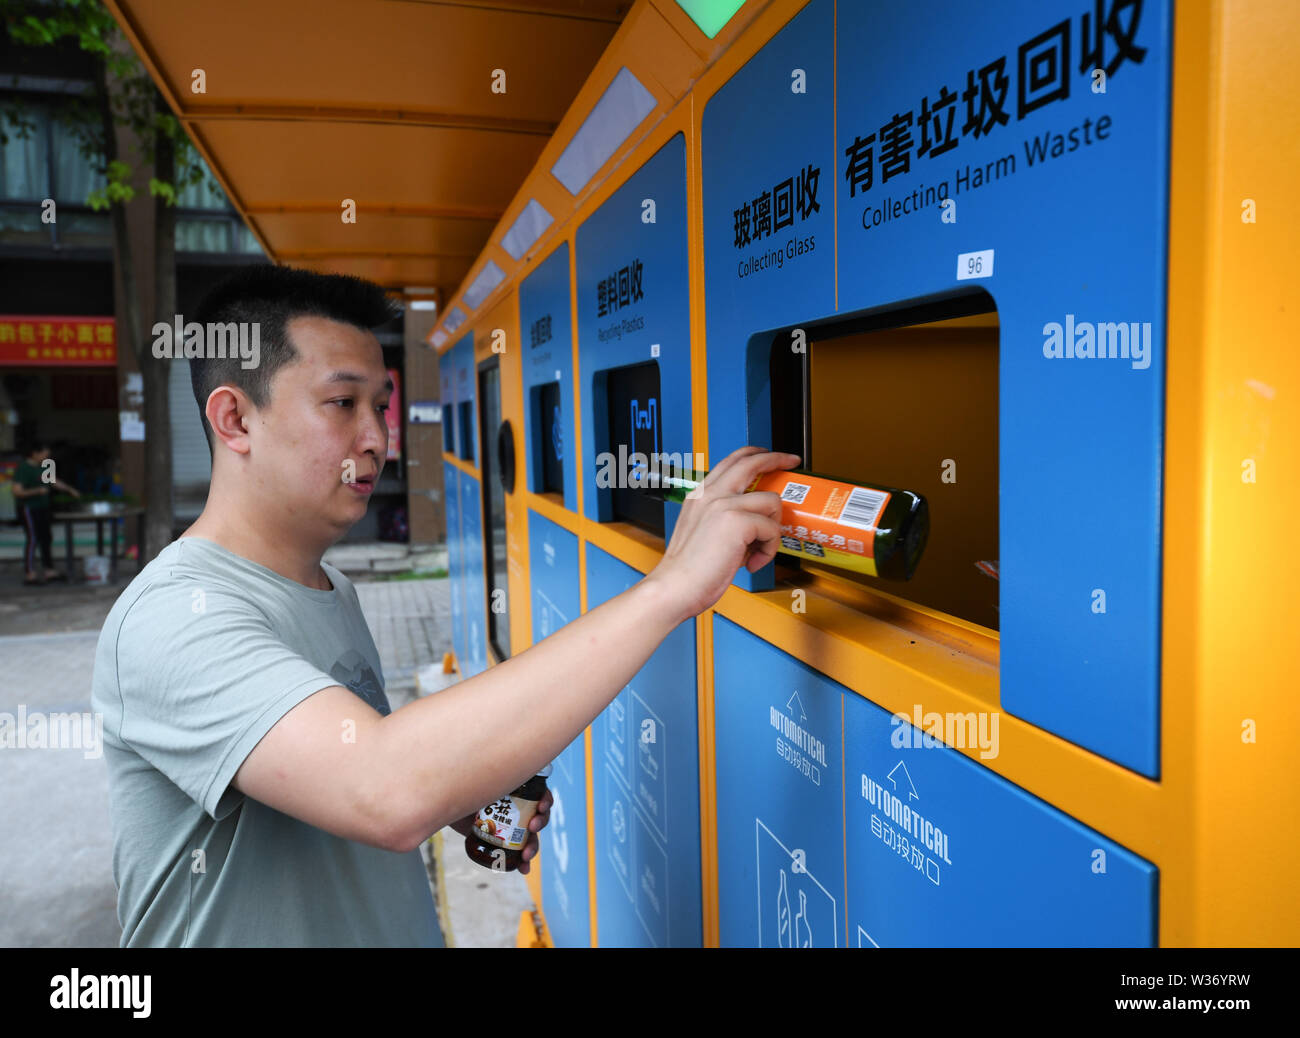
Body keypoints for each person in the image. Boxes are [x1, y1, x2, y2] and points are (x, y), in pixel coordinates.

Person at [90, 265, 799, 947]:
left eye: (382, 407)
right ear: (235, 420)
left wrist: (459, 797)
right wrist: (670, 587)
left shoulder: (328, 588)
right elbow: (381, 785)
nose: (379, 440)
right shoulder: (173, 619)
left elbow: (357, 781)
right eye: (343, 404)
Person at [13, 439, 80, 584]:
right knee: (33, 538)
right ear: (34, 454)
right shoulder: (24, 468)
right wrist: (37, 491)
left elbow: (54, 482)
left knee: (46, 538)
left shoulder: (43, 467)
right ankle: (30, 574)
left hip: (43, 508)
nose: (47, 457)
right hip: (28, 509)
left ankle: (49, 570)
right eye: (44, 454)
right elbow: (17, 491)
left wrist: (70, 489)